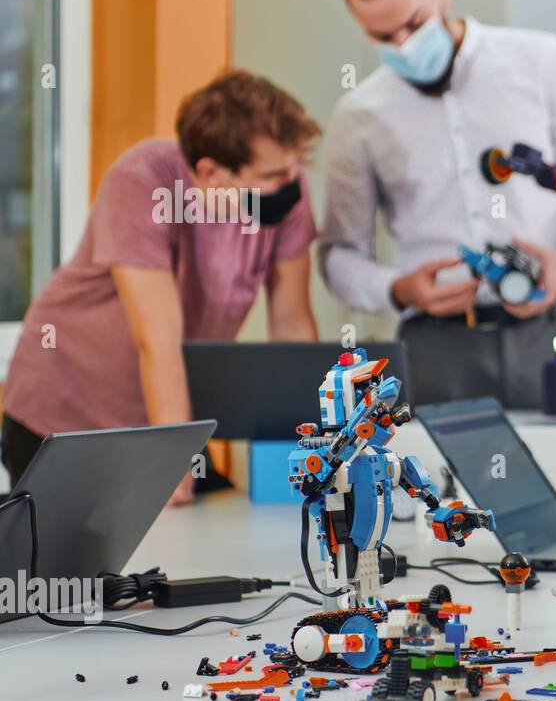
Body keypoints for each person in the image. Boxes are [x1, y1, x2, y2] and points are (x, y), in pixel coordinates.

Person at [321, 0, 556, 408]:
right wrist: (398, 289)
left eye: (414, 24)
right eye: (384, 38)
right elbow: (340, 255)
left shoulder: (543, 61)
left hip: (550, 331)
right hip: (434, 344)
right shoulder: (359, 115)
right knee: (432, 479)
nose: (404, 45)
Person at [0, 70, 320, 502]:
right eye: (273, 175)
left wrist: (319, 449)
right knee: (79, 557)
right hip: (65, 413)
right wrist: (173, 466)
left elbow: (293, 327)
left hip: (159, 415)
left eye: (293, 168)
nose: (292, 183)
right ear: (211, 172)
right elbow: (157, 340)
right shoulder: (143, 180)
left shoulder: (284, 193)